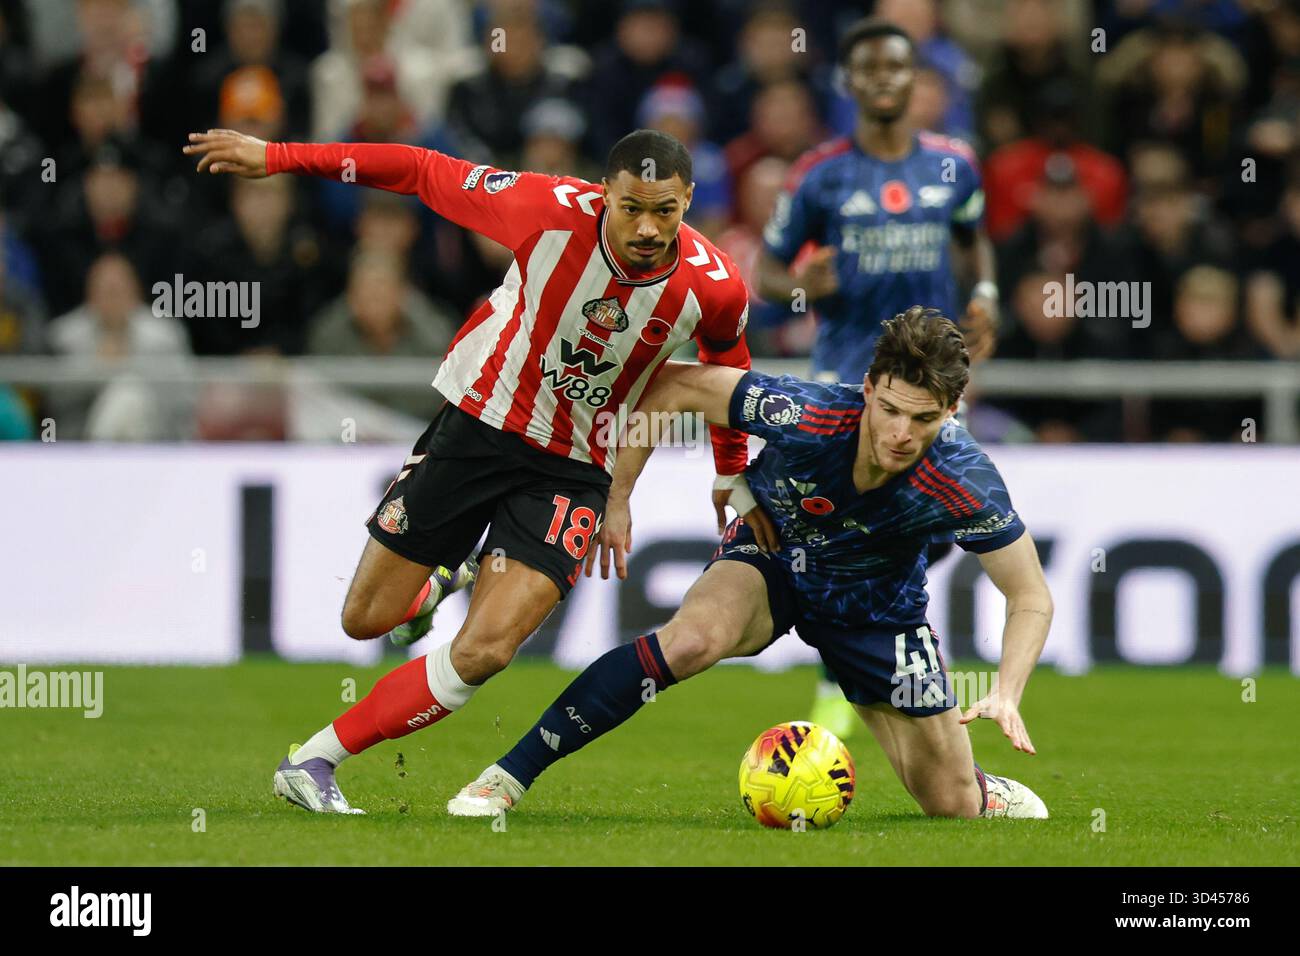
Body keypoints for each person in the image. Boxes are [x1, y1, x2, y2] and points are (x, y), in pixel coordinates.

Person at [183, 125, 758, 814]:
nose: (645, 226)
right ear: (603, 191)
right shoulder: (543, 208)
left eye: (664, 210)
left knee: (485, 650)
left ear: (689, 199)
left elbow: (729, 370)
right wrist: (278, 157)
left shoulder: (715, 285)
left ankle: (313, 761)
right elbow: (420, 170)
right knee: (367, 620)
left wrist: (730, 472)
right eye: (630, 206)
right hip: (480, 425)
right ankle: (434, 588)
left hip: (574, 468)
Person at [448, 307, 1052, 820]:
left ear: (951, 411)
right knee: (691, 640)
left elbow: (1030, 597)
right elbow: (675, 386)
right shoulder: (807, 412)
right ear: (867, 389)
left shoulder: (965, 479)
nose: (900, 433)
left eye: (923, 419)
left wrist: (1006, 691)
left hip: (877, 608)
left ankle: (981, 787)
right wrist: (620, 494)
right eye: (890, 409)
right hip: (774, 553)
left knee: (951, 805)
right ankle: (507, 777)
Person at [756, 19, 1001, 735]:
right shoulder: (819, 174)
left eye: (898, 66)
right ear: (851, 82)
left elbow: (973, 240)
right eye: (870, 68)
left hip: (934, 382)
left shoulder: (955, 164)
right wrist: (801, 279)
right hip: (851, 381)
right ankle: (845, 680)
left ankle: (864, 665)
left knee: (936, 525)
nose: (885, 79)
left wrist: (983, 296)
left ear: (915, 78)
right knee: (855, 524)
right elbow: (765, 273)